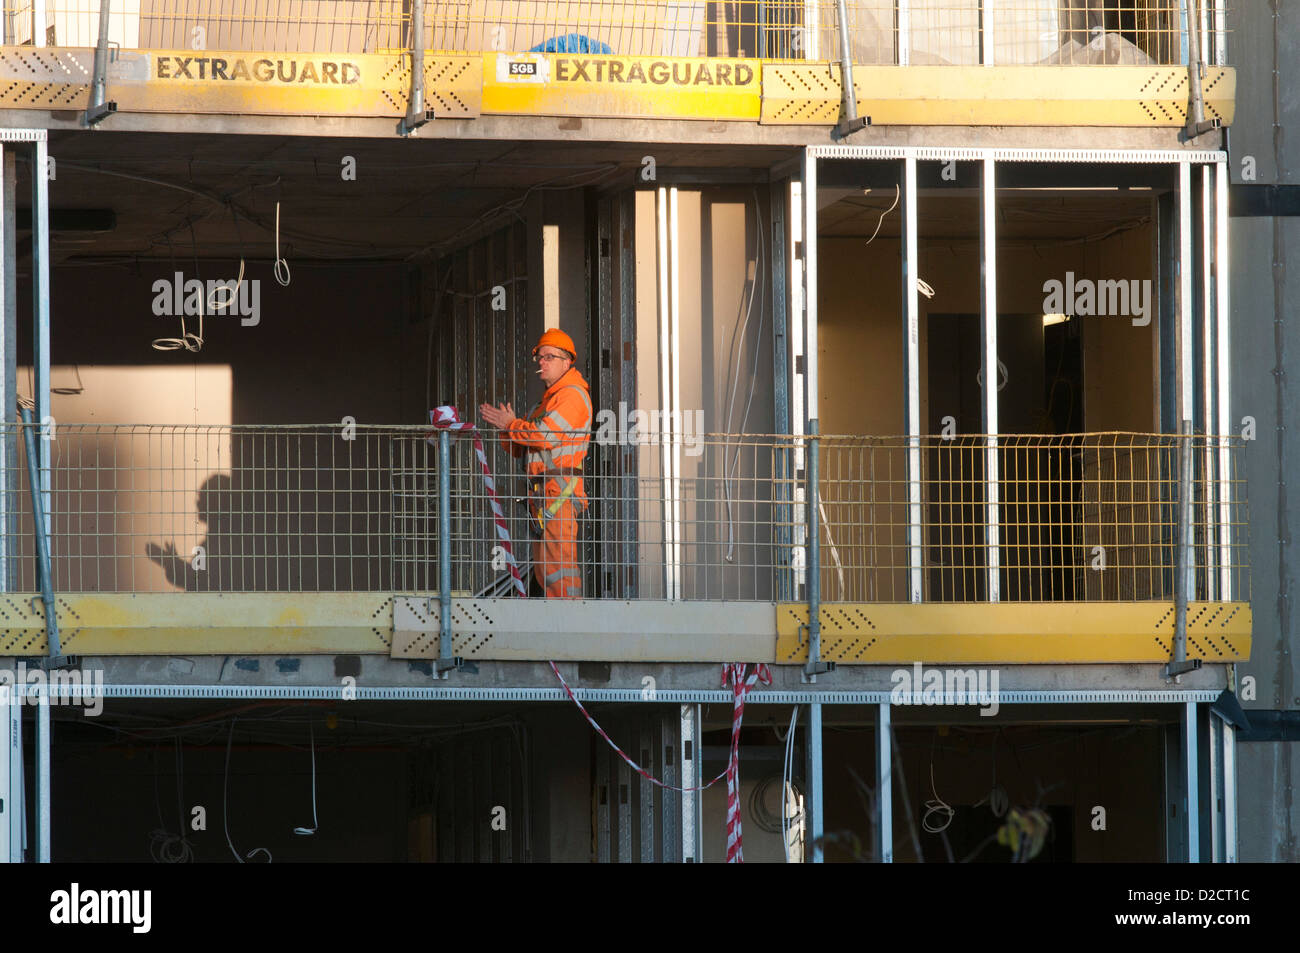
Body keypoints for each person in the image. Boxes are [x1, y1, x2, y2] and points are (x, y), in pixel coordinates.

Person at [480, 328, 592, 598]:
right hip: (544, 496)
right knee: (546, 570)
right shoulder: (546, 403)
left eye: (548, 357)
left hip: (559, 495)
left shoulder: (572, 397)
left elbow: (543, 437)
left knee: (559, 569)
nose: (541, 362)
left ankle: (569, 622)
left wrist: (511, 424)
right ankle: (558, 622)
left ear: (567, 362)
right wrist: (509, 428)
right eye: (539, 358)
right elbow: (521, 449)